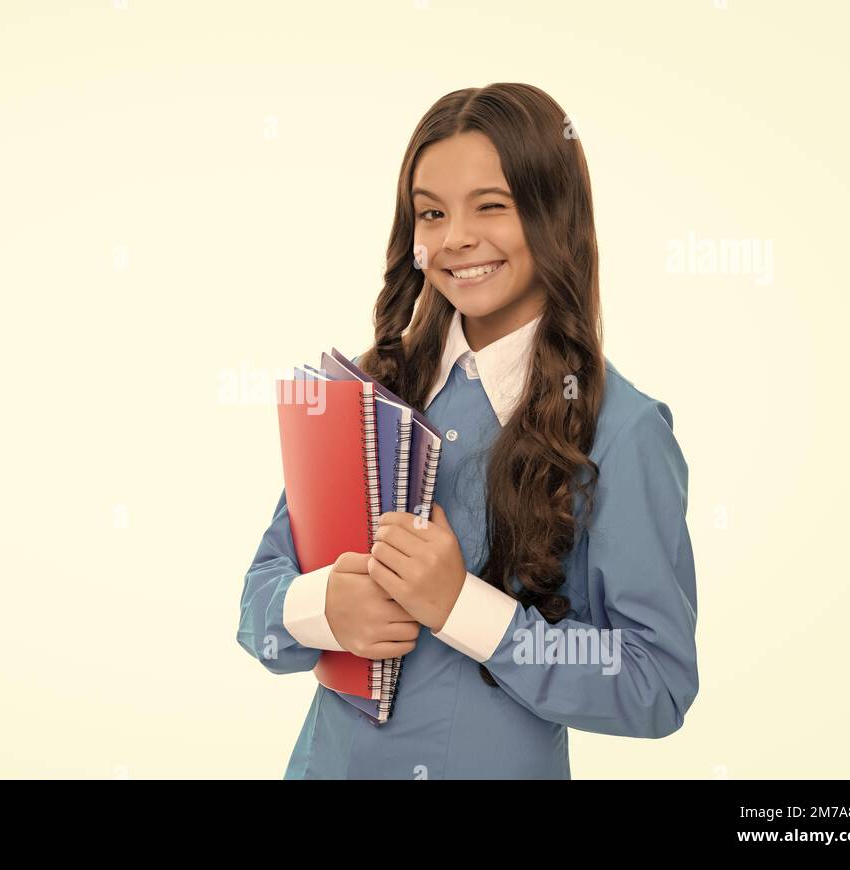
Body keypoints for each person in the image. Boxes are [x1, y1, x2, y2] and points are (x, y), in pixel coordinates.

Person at [236, 83, 699, 779]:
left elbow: (655, 684)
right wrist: (322, 606)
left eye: (492, 205)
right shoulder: (369, 388)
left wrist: (464, 610)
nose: (455, 239)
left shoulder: (623, 431)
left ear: (553, 213)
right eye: (431, 213)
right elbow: (258, 606)